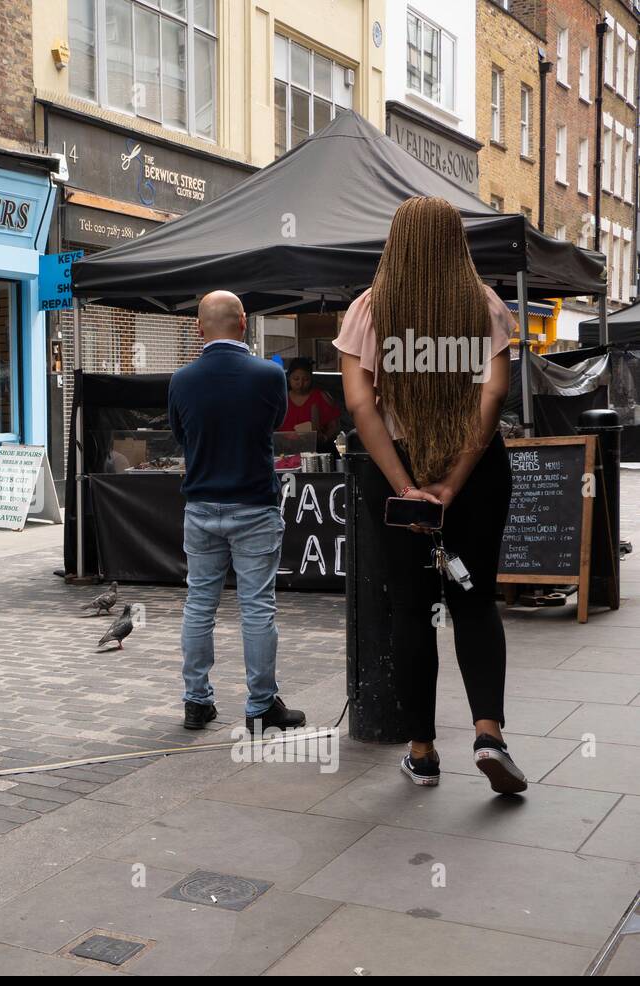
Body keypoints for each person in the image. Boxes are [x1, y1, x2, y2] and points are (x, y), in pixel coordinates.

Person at [337, 195, 527, 794]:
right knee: (474, 600)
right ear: (456, 243)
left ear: (397, 242)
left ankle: (421, 749)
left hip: (398, 473)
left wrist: (407, 488)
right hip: (474, 475)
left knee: (412, 608)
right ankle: (489, 734)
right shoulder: (485, 307)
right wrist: (453, 482)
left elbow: (360, 404)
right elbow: (493, 397)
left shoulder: (368, 311)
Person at [169, 290, 305, 735]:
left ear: (198, 327)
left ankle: (196, 701)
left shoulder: (181, 380)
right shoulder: (269, 375)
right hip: (254, 505)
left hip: (201, 506)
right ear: (244, 324)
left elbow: (179, 434)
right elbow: (275, 423)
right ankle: (261, 705)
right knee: (257, 608)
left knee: (199, 606)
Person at [278, 357, 341, 440]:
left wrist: (325, 437)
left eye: (306, 379)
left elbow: (334, 426)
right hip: (285, 448)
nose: (300, 384)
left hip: (316, 449)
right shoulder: (281, 399)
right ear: (289, 378)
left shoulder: (321, 396)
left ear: (311, 379)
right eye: (296, 379)